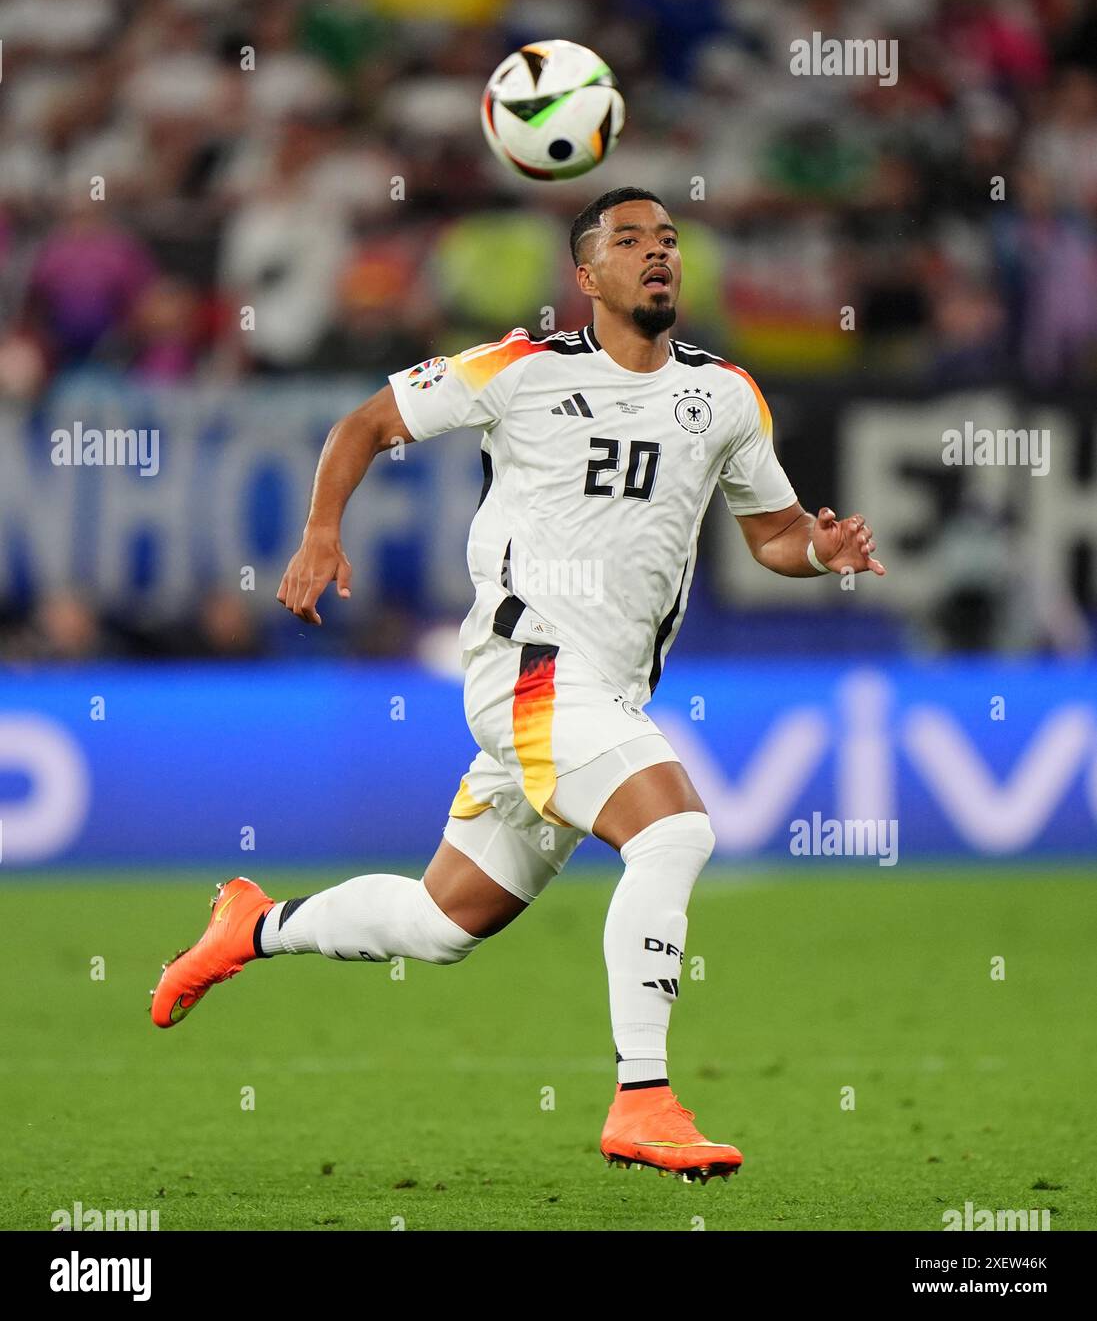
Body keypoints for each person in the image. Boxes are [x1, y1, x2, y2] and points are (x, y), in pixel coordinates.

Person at [151, 187, 885, 1183]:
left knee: (442, 922)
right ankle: (642, 1098)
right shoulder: (521, 368)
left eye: (667, 239)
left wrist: (822, 551)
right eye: (628, 241)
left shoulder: (723, 397)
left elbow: (773, 538)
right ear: (585, 276)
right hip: (526, 668)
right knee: (673, 830)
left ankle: (255, 924)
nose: (656, 254)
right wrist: (322, 532)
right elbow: (365, 423)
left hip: (604, 696)